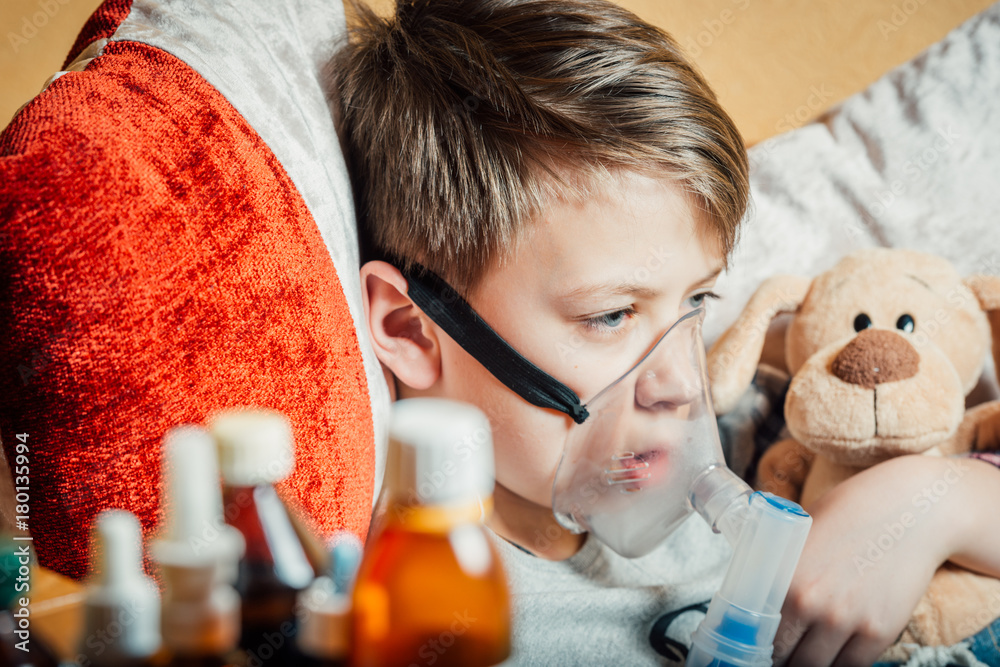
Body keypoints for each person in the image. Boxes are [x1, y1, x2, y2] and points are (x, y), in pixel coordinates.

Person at [327, 1, 1000, 664]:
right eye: (612, 315)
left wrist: (934, 502)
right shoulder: (440, 621)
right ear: (408, 327)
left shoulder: (740, 445)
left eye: (697, 299)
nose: (682, 382)